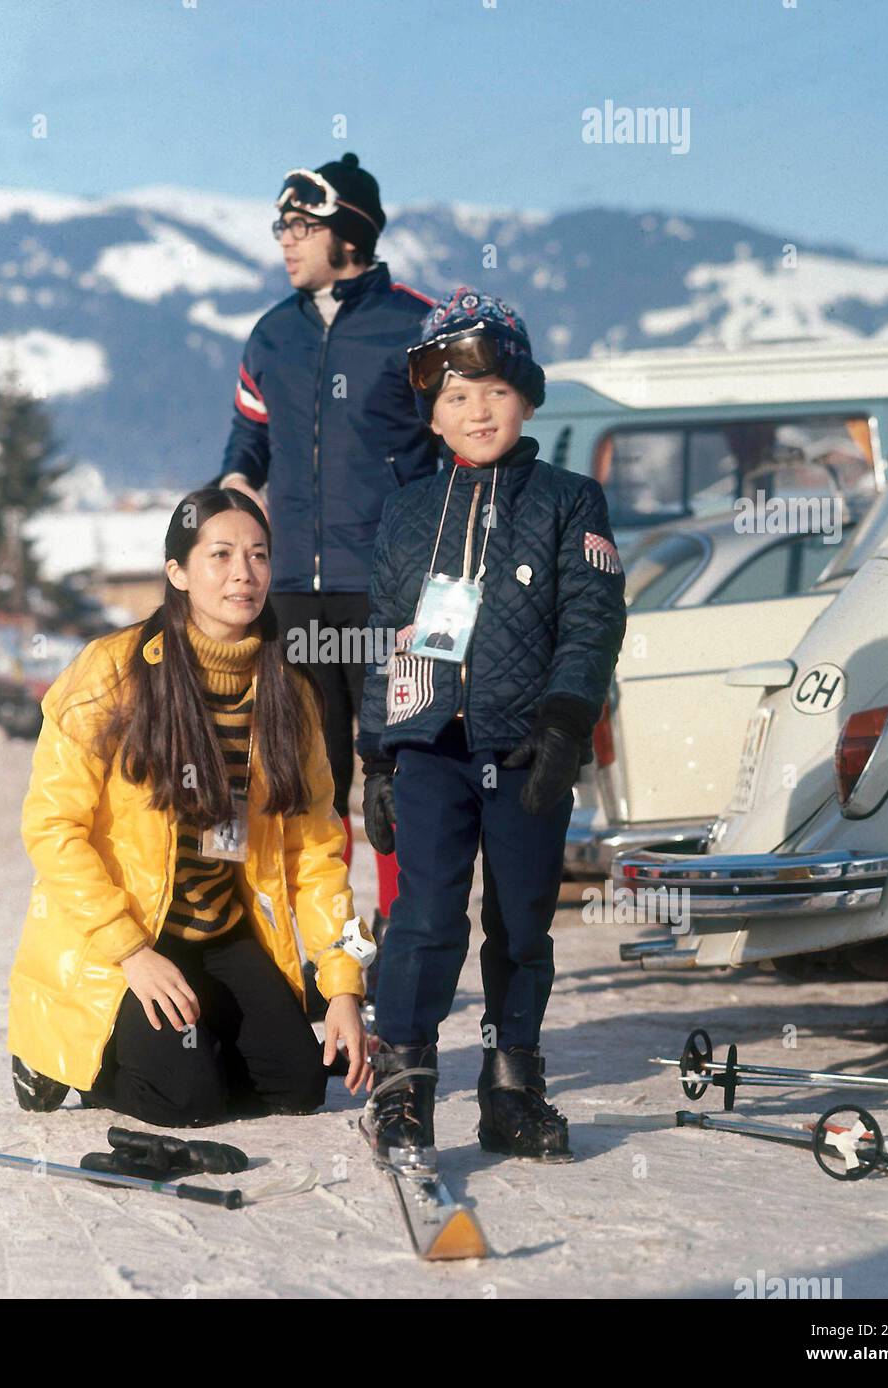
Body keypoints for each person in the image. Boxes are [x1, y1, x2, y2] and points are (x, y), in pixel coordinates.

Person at [357, 289, 627, 1162]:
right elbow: (390, 637)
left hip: (525, 749)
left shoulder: (569, 502)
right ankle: (403, 1086)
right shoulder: (404, 514)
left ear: (529, 398)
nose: (478, 411)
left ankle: (512, 1086)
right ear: (432, 416)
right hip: (430, 747)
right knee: (425, 918)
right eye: (456, 397)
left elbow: (591, 623)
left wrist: (563, 725)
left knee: (520, 921)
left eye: (495, 391)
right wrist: (377, 755)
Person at [8, 487, 374, 1126]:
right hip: (127, 938)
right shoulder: (110, 673)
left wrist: (342, 984)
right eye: (222, 554)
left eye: (259, 555)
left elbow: (316, 848)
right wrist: (130, 952)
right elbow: (52, 827)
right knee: (186, 1101)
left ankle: (193, 1048)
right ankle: (60, 1060)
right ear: (177, 573)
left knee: (298, 1086)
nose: (244, 573)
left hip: (219, 933)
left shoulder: (289, 693)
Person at [216, 153, 438, 995]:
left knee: (396, 779)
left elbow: (456, 442)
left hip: (390, 594)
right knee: (310, 785)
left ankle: (403, 946)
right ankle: (328, 951)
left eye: (300, 227)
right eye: (282, 227)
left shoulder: (417, 327)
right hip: (296, 601)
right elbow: (248, 437)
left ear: (349, 232)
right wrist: (238, 477)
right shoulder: (271, 334)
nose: (285, 242)